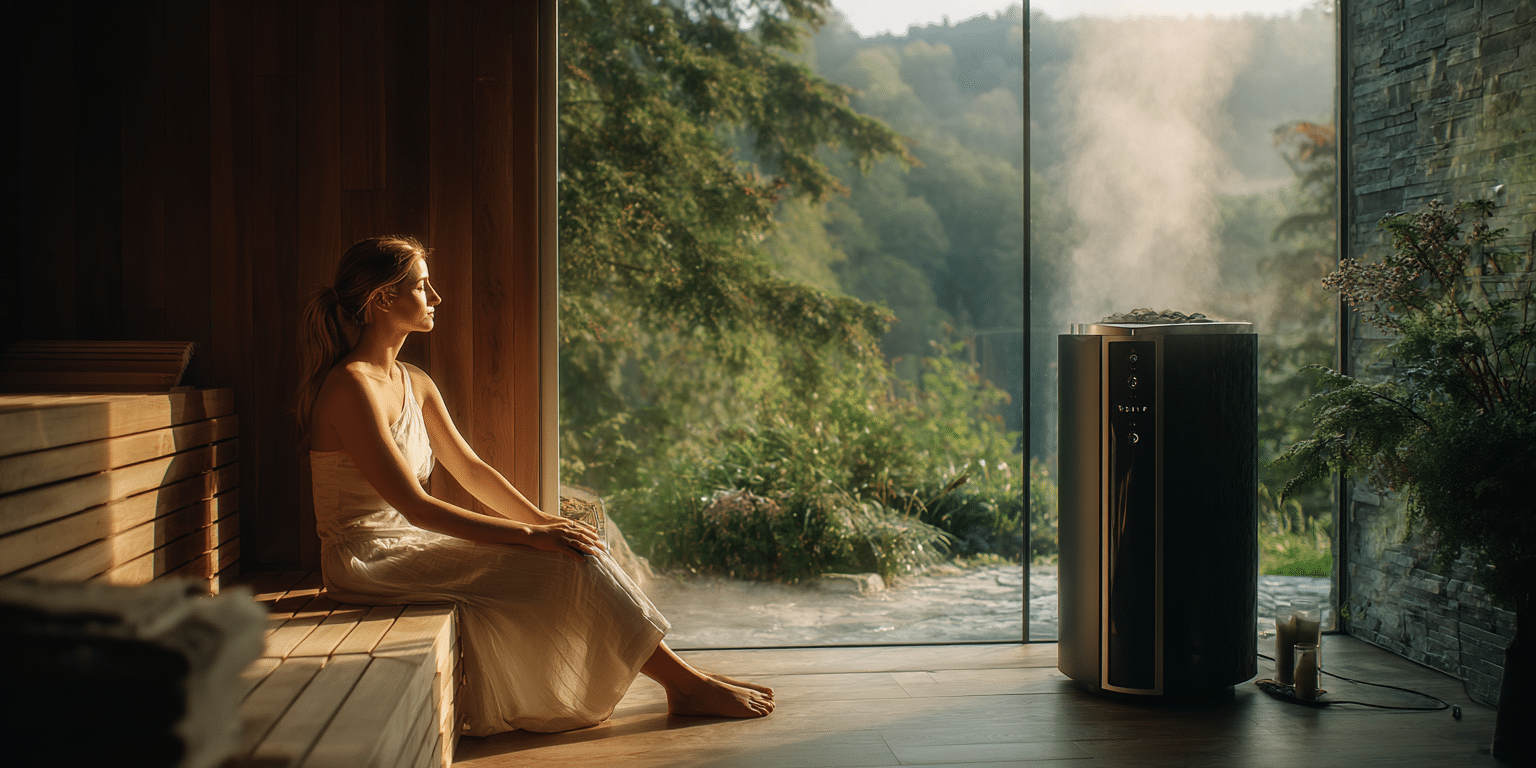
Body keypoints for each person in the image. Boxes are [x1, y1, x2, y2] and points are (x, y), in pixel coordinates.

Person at [297, 235, 774, 735]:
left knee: (577, 549)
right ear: (382, 299)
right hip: (366, 558)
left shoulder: (412, 379)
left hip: (407, 544)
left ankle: (685, 681)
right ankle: (687, 686)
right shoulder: (352, 386)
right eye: (421, 285)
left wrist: (545, 521)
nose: (436, 296)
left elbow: (472, 468)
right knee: (565, 563)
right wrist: (530, 537)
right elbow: (417, 507)